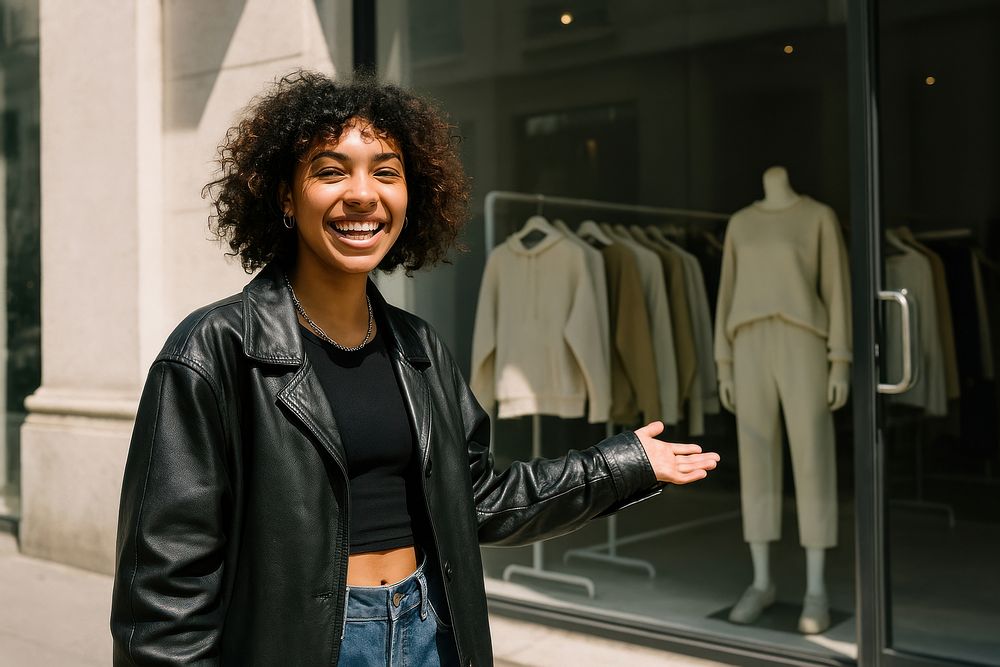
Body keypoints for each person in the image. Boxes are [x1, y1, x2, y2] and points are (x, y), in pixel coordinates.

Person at [109, 70, 720, 666]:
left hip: (431, 628)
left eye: (386, 173)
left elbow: (477, 499)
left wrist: (619, 467)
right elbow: (163, 592)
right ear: (285, 195)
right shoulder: (213, 350)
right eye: (330, 171)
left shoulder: (416, 347)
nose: (362, 195)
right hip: (305, 644)